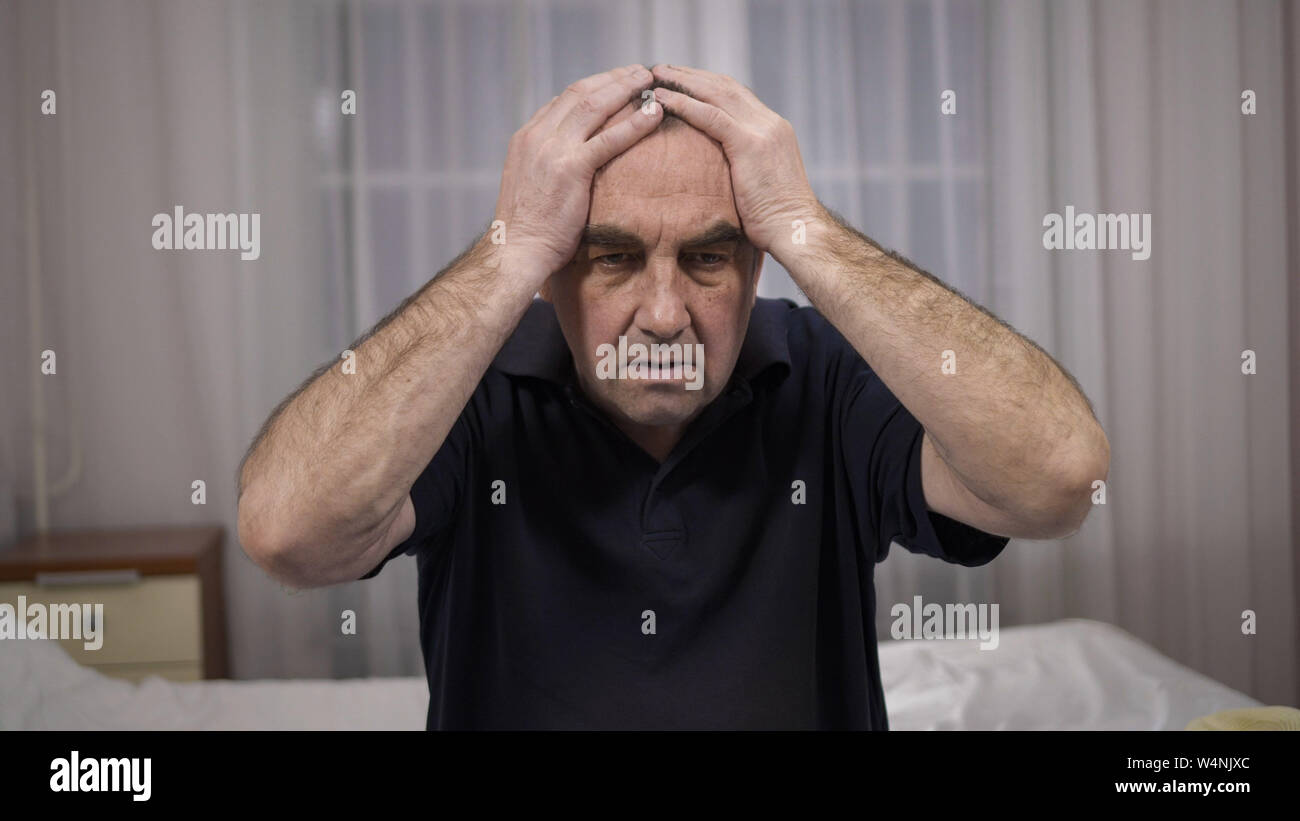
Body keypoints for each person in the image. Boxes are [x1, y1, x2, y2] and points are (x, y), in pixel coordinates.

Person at [236, 63, 1110, 729]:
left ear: (757, 261)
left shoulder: (828, 380)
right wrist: (508, 249)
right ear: (552, 272)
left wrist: (809, 227)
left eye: (706, 258)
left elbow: (1059, 478)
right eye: (612, 257)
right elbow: (288, 533)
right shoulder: (471, 393)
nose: (662, 316)